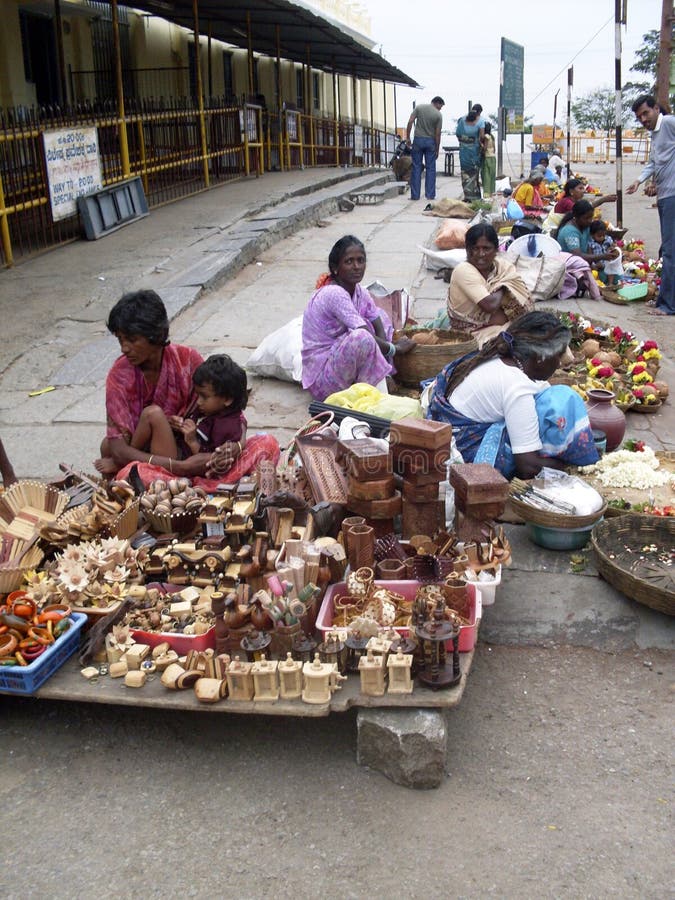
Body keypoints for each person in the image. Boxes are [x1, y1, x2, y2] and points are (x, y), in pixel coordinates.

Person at [96, 290, 278, 488]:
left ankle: (186, 487)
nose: (124, 348)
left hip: (195, 454)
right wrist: (181, 467)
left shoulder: (187, 361)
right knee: (125, 469)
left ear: (155, 334)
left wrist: (236, 446)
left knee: (267, 443)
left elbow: (232, 411)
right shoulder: (119, 376)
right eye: (120, 340)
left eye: (131, 340)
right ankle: (187, 486)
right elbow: (118, 449)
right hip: (156, 462)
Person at [427, 311, 599, 479]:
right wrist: (567, 468)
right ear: (540, 358)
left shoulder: (500, 357)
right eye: (558, 355)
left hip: (451, 437)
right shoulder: (517, 386)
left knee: (548, 397)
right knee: (558, 401)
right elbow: (527, 466)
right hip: (468, 457)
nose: (559, 362)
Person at [301, 236, 415, 401]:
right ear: (335, 268)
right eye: (349, 262)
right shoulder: (334, 293)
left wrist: (385, 360)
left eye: (360, 261)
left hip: (341, 364)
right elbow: (364, 334)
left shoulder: (360, 292)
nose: (356, 267)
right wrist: (395, 349)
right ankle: (379, 392)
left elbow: (377, 321)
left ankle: (381, 378)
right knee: (361, 337)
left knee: (382, 317)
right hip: (323, 379)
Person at [128, 353, 248, 468]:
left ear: (227, 399)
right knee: (110, 444)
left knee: (152, 414)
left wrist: (192, 441)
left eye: (204, 397)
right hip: (178, 448)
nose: (198, 402)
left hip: (180, 462)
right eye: (198, 396)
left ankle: (128, 458)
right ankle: (130, 455)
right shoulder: (212, 410)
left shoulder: (227, 427)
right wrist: (178, 425)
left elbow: (209, 460)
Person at [627, 94, 675, 316]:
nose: (643, 119)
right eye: (639, 117)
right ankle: (663, 299)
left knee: (670, 251)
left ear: (656, 109)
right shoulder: (654, 135)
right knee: (667, 249)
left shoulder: (668, 123)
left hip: (672, 195)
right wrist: (639, 181)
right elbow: (654, 163)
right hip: (665, 196)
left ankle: (668, 305)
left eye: (646, 113)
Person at [447, 223, 532, 348]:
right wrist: (504, 286)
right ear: (467, 250)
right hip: (474, 336)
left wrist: (504, 284)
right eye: (475, 248)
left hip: (505, 328)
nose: (481, 254)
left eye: (486, 248)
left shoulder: (502, 267)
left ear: (496, 250)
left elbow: (521, 293)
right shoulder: (463, 270)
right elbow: (490, 305)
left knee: (545, 331)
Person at [555, 200, 618, 299]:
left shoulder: (585, 226)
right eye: (586, 218)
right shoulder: (570, 231)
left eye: (591, 217)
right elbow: (578, 256)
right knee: (602, 276)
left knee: (614, 274)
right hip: (570, 267)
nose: (589, 221)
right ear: (576, 217)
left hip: (586, 263)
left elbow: (592, 242)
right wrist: (603, 256)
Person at [405, 96, 445, 201]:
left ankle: (415, 195)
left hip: (418, 140)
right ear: (437, 103)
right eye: (440, 106)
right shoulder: (438, 115)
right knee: (431, 169)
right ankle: (430, 195)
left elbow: (410, 121)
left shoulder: (419, 108)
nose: (440, 109)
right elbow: (437, 134)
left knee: (416, 168)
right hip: (430, 142)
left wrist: (408, 137)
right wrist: (437, 148)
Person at [456, 109, 484, 201]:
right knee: (474, 173)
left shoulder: (462, 122)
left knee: (465, 173)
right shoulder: (480, 122)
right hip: (474, 153)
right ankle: (475, 196)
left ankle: (467, 195)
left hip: (464, 152)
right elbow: (482, 138)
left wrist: (465, 141)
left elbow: (458, 135)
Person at [588, 220, 623, 286]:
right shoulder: (590, 243)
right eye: (599, 236)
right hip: (599, 266)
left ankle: (610, 283)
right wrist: (594, 265)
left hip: (608, 263)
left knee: (613, 272)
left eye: (603, 235)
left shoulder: (608, 239)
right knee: (599, 276)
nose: (602, 237)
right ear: (592, 235)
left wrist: (612, 248)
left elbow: (613, 247)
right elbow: (590, 255)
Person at [481, 122, 496, 196]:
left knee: (486, 176)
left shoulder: (486, 136)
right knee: (492, 175)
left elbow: (485, 148)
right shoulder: (492, 136)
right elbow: (494, 148)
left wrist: (481, 147)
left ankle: (486, 193)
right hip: (493, 157)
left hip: (487, 157)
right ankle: (492, 192)